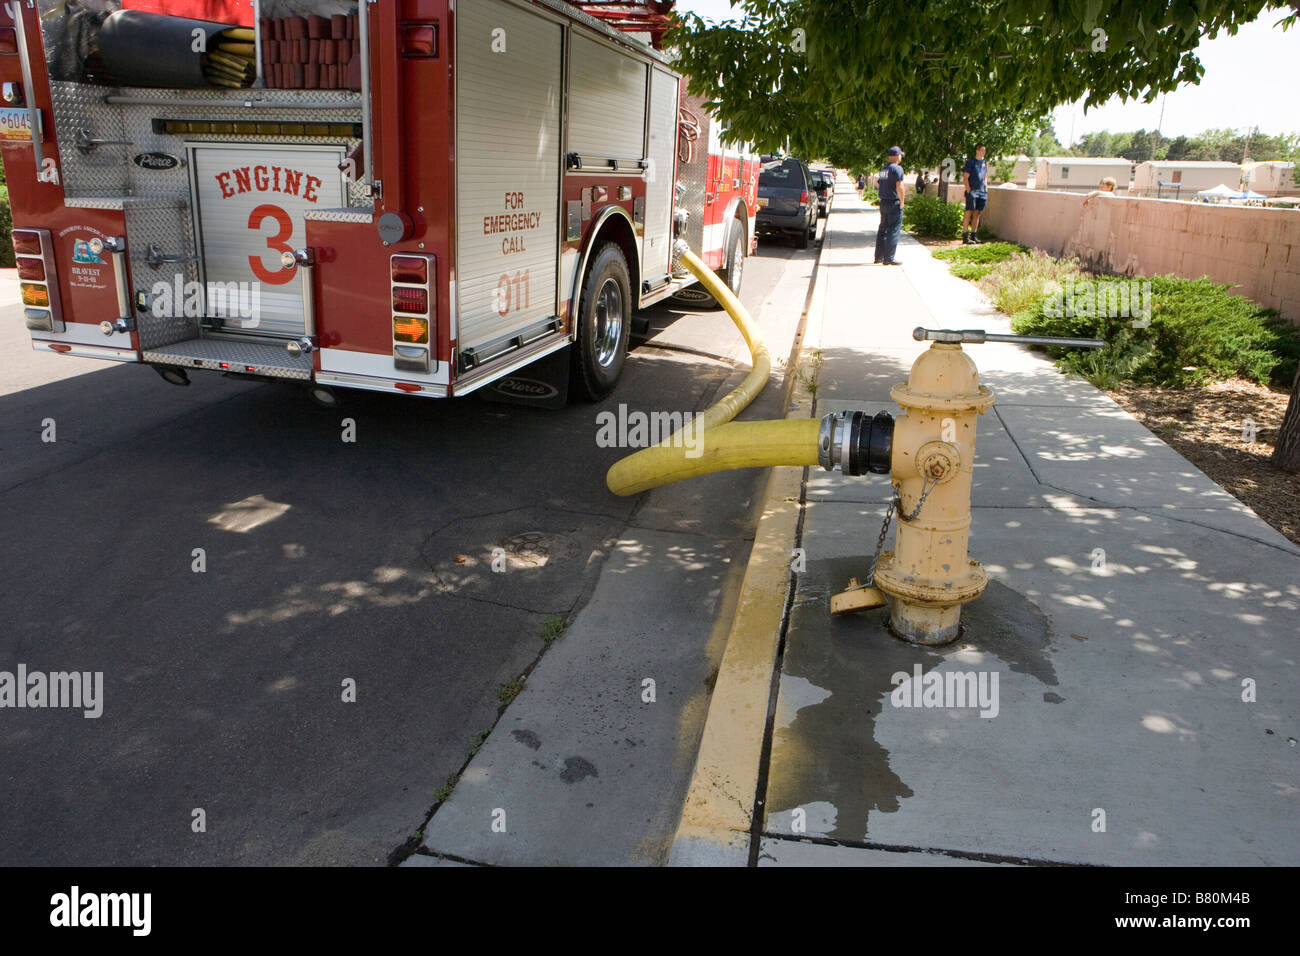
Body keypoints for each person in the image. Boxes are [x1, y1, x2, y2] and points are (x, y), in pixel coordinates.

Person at [874, 147, 906, 265]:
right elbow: (900, 186)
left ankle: (879, 256)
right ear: (897, 156)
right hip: (893, 203)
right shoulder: (897, 169)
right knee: (893, 230)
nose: (901, 157)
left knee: (882, 229)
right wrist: (902, 201)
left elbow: (880, 183)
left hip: (883, 202)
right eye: (900, 155)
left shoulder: (884, 169)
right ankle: (889, 258)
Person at [962, 144, 988, 244]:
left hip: (982, 192)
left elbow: (985, 176)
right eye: (982, 150)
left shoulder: (984, 163)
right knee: (969, 212)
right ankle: (965, 236)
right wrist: (968, 190)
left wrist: (986, 188)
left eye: (984, 151)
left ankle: (974, 235)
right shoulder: (971, 162)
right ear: (977, 151)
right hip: (972, 191)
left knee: (977, 213)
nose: (983, 152)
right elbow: (965, 177)